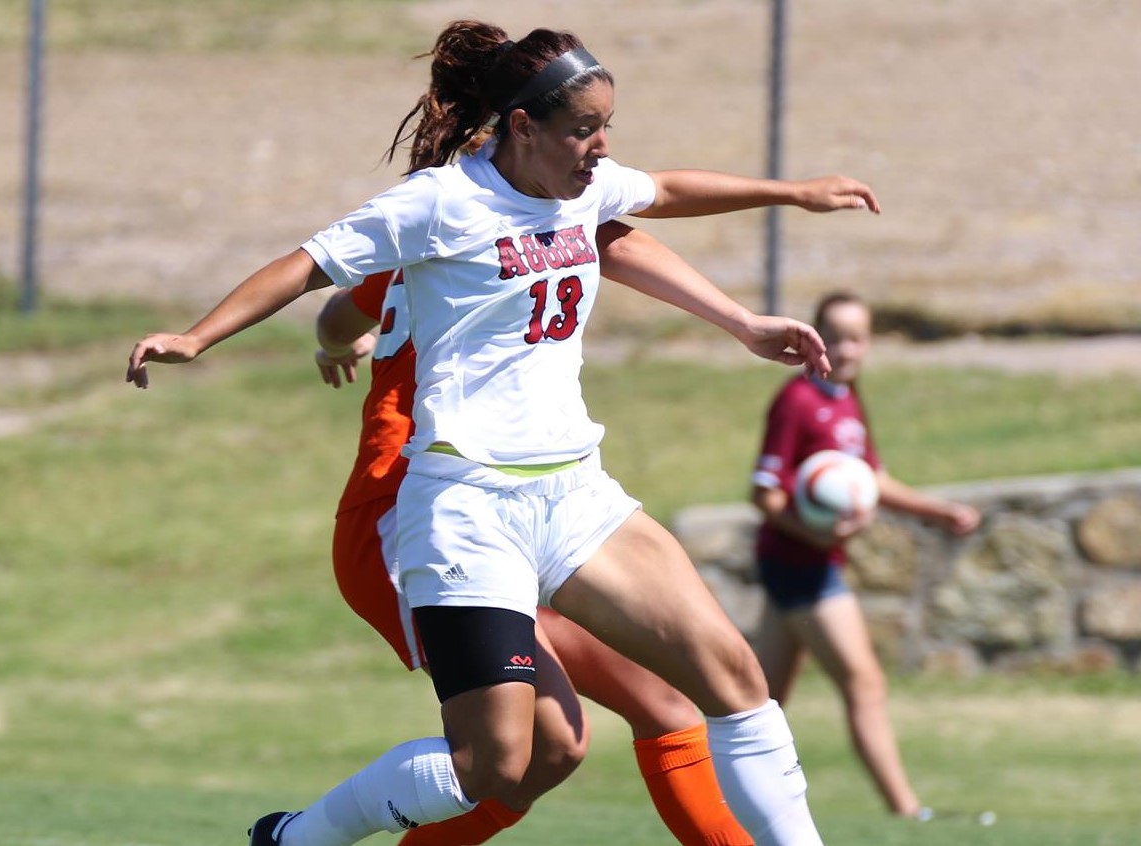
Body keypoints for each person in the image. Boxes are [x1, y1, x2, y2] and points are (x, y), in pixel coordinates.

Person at [128, 21, 880, 846]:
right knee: (499, 764)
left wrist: (789, 204)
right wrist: (198, 336)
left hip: (574, 493)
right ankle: (297, 839)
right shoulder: (439, 206)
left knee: (731, 678)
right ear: (522, 126)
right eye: (583, 129)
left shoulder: (580, 190)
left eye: (606, 128)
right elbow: (312, 267)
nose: (599, 148)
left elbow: (660, 193)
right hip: (464, 504)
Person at [314, 220, 781, 846]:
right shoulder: (459, 229)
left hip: (522, 508)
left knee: (660, 708)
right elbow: (631, 225)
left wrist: (338, 345)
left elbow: (338, 318)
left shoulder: (487, 226)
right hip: (413, 513)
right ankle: (300, 836)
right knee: (536, 750)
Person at [747, 291, 982, 819]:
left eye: (857, 338)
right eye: (835, 336)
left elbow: (869, 480)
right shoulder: (798, 400)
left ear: (868, 343)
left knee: (760, 701)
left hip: (815, 562)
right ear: (815, 337)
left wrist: (937, 511)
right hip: (798, 565)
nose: (846, 349)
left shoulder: (848, 397)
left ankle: (726, 794)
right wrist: (818, 535)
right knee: (865, 682)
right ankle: (906, 810)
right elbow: (764, 495)